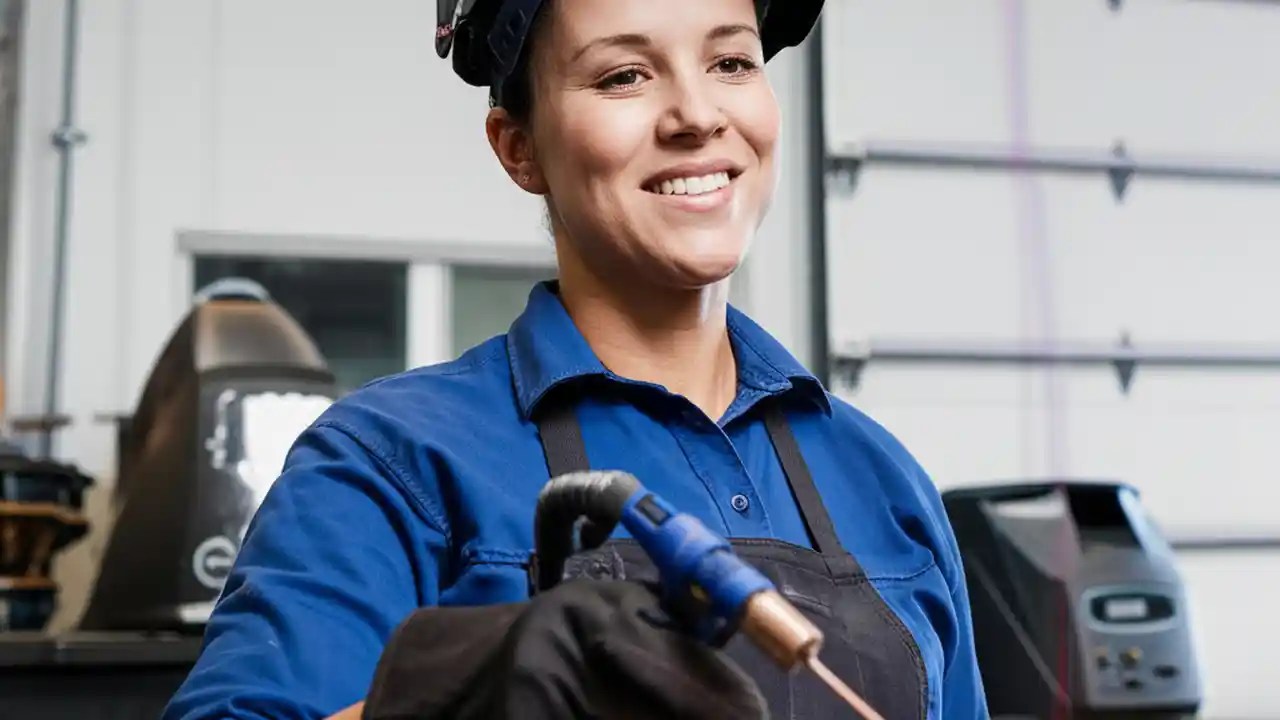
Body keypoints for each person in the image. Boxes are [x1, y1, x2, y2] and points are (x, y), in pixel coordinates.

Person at [164, 0, 989, 718]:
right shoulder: (390, 463)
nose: (697, 115)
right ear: (518, 147)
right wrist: (465, 695)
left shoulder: (881, 480)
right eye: (624, 76)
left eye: (732, 62)